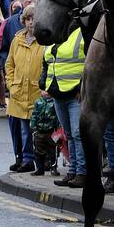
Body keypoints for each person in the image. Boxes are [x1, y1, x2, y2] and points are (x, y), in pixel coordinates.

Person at [42, 24, 88, 188]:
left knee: (78, 134)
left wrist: (83, 86)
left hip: (75, 94)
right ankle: (73, 171)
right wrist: (44, 84)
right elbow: (47, 62)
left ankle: (82, 173)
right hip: (58, 93)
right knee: (68, 134)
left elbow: (91, 63)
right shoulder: (53, 32)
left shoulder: (81, 33)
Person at [4, 4, 44, 173]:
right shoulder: (17, 40)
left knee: (40, 130)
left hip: (37, 92)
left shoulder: (44, 41)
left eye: (34, 20)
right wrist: (11, 84)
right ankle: (27, 159)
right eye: (28, 19)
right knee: (24, 130)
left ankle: (43, 160)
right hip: (19, 91)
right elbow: (9, 64)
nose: (31, 23)